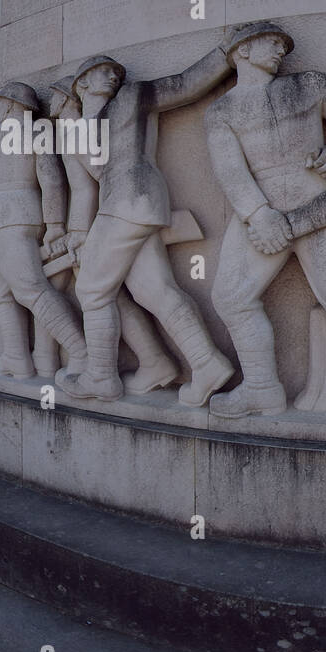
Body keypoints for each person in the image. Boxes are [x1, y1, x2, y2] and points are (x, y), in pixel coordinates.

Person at [198, 23, 326, 427]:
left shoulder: (309, 85)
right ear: (242, 51)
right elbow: (230, 169)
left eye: (282, 45)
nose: (280, 50)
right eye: (270, 42)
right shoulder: (222, 111)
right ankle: (261, 388)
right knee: (231, 297)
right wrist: (257, 214)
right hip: (262, 210)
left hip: (316, 204)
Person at [52, 46, 237, 405]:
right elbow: (84, 187)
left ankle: (102, 377)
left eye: (116, 73)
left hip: (129, 200)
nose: (114, 76)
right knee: (155, 291)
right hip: (129, 205)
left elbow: (185, 84)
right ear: (82, 83)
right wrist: (76, 232)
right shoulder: (77, 129)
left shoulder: (131, 97)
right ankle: (205, 363)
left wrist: (226, 53)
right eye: (103, 70)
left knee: (91, 289)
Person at [0, 82, 84, 380]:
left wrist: (56, 227)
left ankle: (82, 353)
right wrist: (53, 225)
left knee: (30, 288)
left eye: (1, 103)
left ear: (10, 105)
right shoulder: (41, 130)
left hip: (4, 215)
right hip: (29, 212)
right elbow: (52, 181)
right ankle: (18, 359)